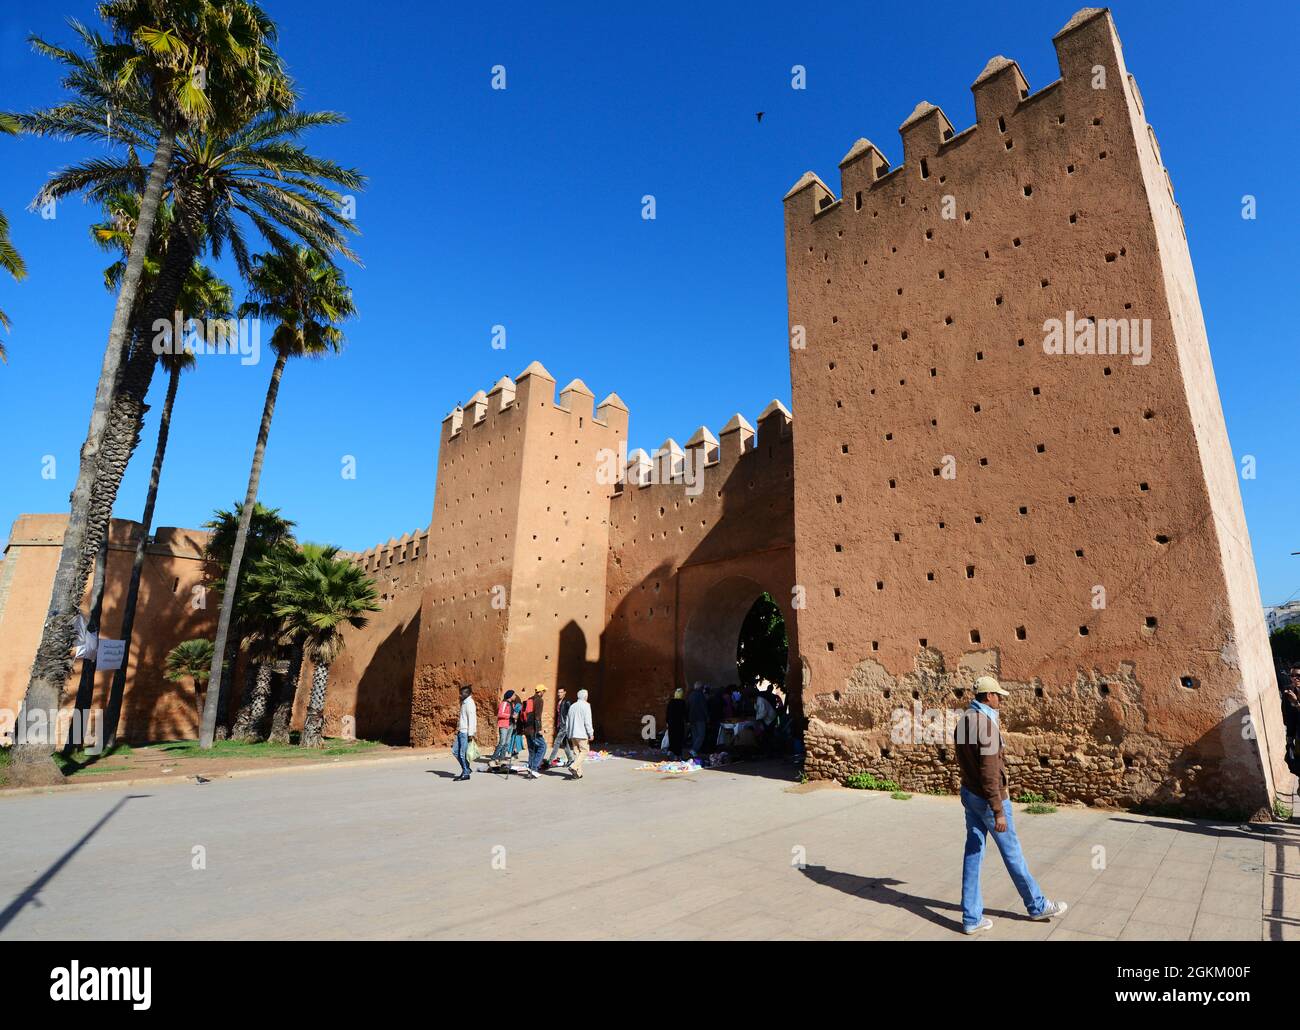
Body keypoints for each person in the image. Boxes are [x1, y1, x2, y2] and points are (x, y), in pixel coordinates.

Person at [954, 675, 1067, 934]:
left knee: (973, 854)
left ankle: (971, 918)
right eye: (998, 696)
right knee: (1012, 853)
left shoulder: (963, 721)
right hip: (989, 800)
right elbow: (990, 774)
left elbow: (963, 760)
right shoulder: (986, 726)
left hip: (970, 794)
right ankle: (1037, 905)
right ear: (988, 696)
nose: (1000, 700)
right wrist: (997, 811)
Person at [566, 688, 595, 779]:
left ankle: (578, 773)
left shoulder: (572, 706)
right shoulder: (586, 705)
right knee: (585, 751)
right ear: (585, 696)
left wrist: (568, 732)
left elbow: (568, 720)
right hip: (582, 733)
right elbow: (587, 721)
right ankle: (573, 766)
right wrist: (591, 733)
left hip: (573, 733)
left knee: (577, 753)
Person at [545, 686, 574, 770]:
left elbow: (570, 715)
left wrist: (569, 726)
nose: (559, 694)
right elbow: (558, 715)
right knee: (564, 743)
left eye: (561, 692)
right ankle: (571, 759)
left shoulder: (567, 702)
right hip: (560, 725)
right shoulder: (559, 702)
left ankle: (550, 761)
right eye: (558, 692)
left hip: (565, 725)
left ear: (565, 693)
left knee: (557, 742)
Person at [522, 683, 547, 779]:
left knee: (532, 750)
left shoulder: (529, 699)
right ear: (540, 692)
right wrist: (539, 729)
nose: (544, 692)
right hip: (533, 729)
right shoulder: (539, 700)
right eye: (543, 691)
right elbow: (537, 716)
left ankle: (530, 769)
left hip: (527, 729)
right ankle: (534, 768)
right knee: (543, 746)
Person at [452, 684, 476, 782]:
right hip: (461, 731)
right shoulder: (464, 702)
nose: (460, 695)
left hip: (465, 733)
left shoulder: (469, 703)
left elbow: (472, 719)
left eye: (461, 693)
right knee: (455, 751)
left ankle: (466, 772)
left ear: (467, 693)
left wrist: (471, 734)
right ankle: (467, 769)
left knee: (462, 754)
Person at [492, 690, 516, 761]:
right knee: (502, 742)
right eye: (514, 695)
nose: (515, 696)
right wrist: (511, 716)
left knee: (507, 743)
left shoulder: (512, 704)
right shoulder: (504, 703)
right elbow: (500, 714)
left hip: (510, 725)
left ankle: (502, 758)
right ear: (510, 696)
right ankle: (494, 757)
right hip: (504, 725)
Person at [687, 682, 709, 756]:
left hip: (692, 718)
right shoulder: (701, 695)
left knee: (695, 735)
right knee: (701, 735)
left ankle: (695, 751)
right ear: (701, 688)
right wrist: (707, 717)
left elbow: (688, 707)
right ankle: (694, 749)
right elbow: (704, 707)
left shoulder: (690, 695)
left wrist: (688, 719)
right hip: (700, 718)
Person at [666, 688, 686, 757]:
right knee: (679, 738)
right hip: (679, 723)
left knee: (672, 737)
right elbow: (685, 713)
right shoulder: (682, 702)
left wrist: (667, 721)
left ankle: (670, 751)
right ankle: (677, 753)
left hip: (671, 723)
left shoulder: (671, 702)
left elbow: (667, 713)